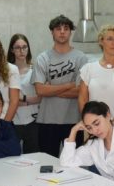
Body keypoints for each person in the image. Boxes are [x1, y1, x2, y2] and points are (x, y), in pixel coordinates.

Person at [32, 14, 87, 156]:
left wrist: (50, 89)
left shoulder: (81, 57)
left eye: (66, 28)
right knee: (48, 163)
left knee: (75, 164)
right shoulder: (43, 58)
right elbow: (39, 90)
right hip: (47, 120)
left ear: (70, 32)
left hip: (74, 121)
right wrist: (69, 85)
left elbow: (81, 91)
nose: (62, 32)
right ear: (52, 32)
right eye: (58, 29)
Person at [78, 24, 114, 126]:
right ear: (101, 41)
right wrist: (90, 123)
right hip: (94, 125)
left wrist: (112, 124)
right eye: (109, 39)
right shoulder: (88, 69)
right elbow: (82, 99)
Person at [8, 33, 41, 153]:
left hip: (32, 120)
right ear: (12, 50)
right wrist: (17, 100)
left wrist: (22, 99)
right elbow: (7, 99)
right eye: (17, 47)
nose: (21, 51)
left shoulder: (35, 70)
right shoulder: (7, 71)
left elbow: (41, 97)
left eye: (24, 47)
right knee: (11, 156)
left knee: (33, 156)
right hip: (13, 120)